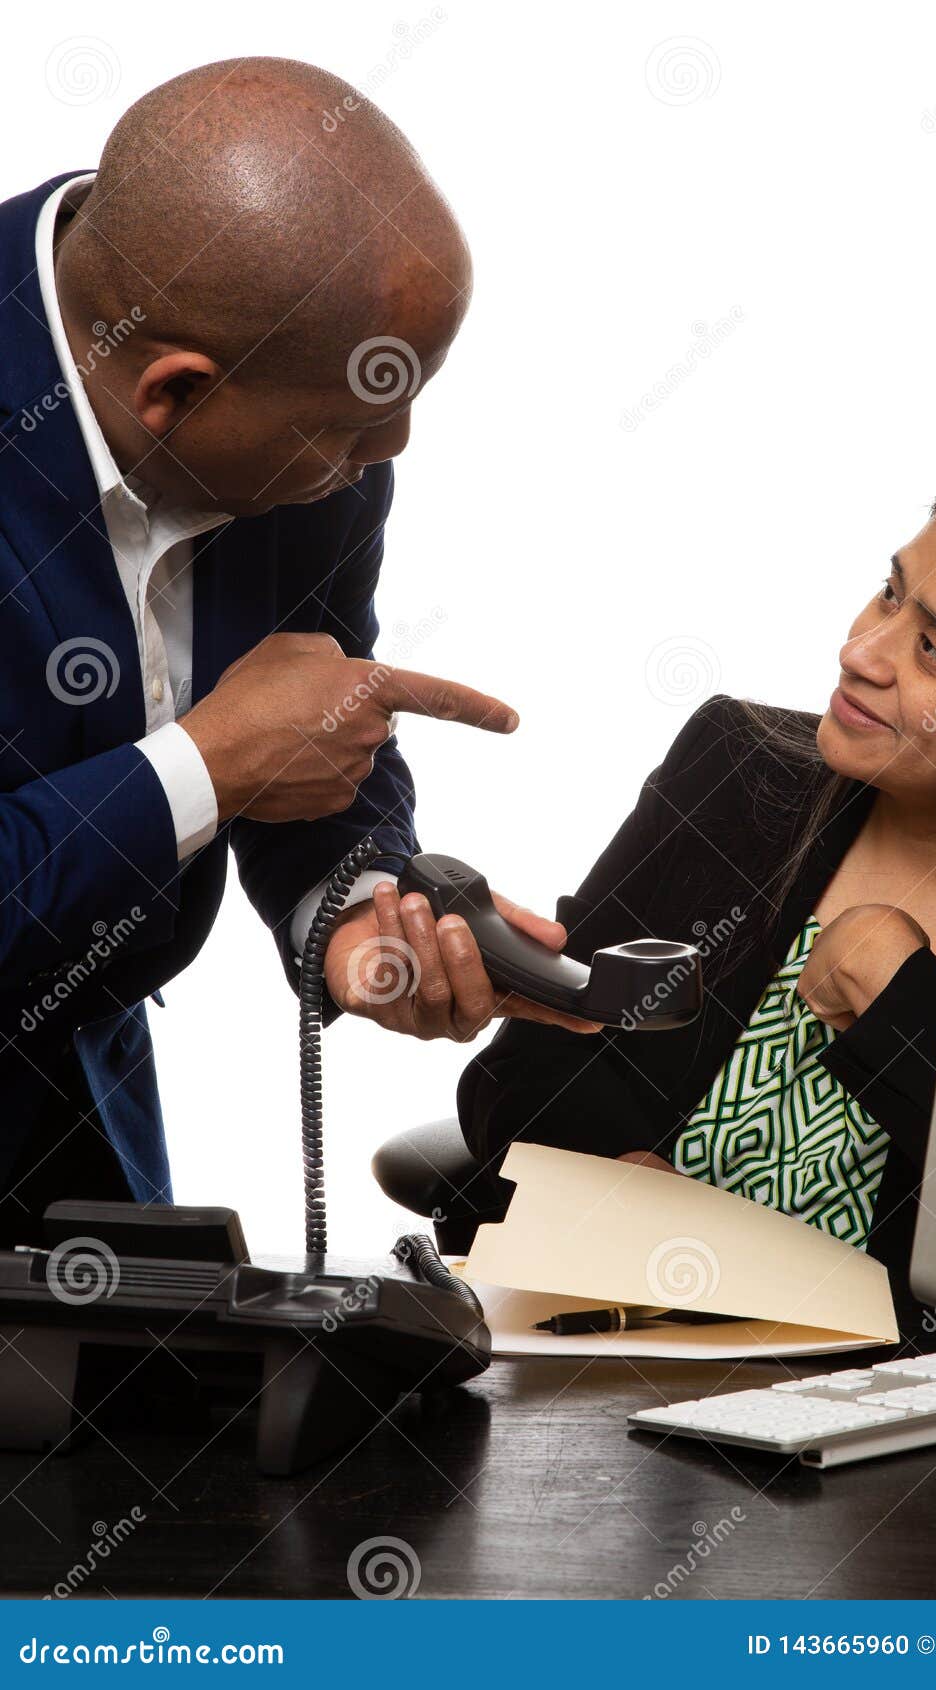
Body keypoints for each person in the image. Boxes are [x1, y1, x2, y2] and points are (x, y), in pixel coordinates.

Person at [0, 58, 597, 1246]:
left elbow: (308, 718)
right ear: (173, 389)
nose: (389, 453)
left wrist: (357, 896)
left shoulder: (312, 396)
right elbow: (241, 746)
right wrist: (206, 766)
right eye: (347, 430)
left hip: (88, 1140)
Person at [456, 456, 936, 1295]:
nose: (859, 650)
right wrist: (618, 1184)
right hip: (621, 1344)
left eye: (931, 649)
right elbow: (527, 1073)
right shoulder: (737, 773)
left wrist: (896, 998)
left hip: (887, 1399)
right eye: (886, 592)